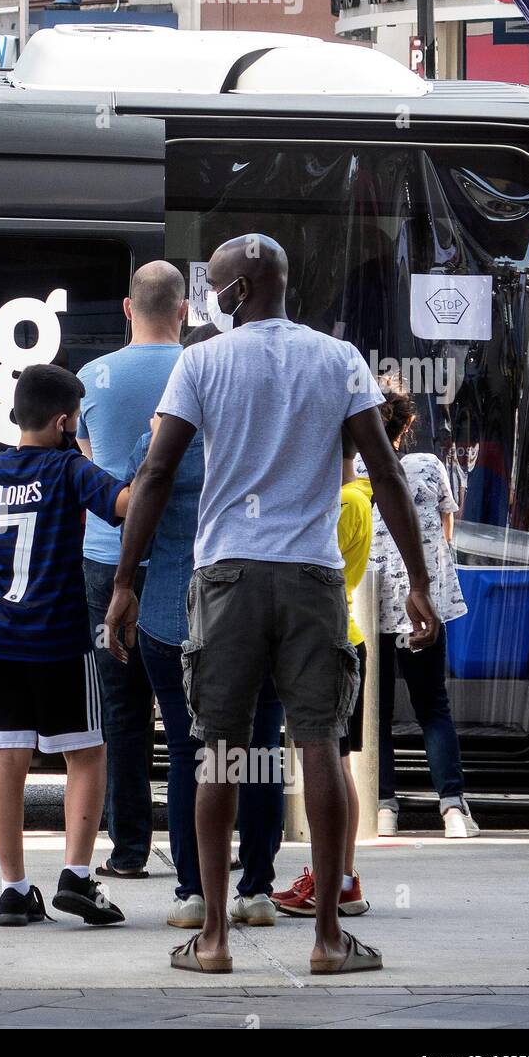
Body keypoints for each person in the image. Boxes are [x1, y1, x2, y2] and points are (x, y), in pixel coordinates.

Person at [105, 234, 438, 975]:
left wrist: (126, 580)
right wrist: (416, 579)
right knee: (316, 743)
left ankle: (215, 938)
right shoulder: (338, 359)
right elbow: (382, 470)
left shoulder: (202, 361)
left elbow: (156, 472)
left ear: (234, 294)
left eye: (215, 287)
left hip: (226, 576)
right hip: (312, 576)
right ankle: (325, 939)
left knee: (218, 749)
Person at [0, 363, 132, 927]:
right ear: (61, 421)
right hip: (61, 642)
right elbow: (125, 505)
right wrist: (155, 455)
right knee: (87, 755)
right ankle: (77, 877)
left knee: (5, 761)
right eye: (75, 422)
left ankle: (13, 888)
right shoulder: (69, 469)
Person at [125, 413, 285, 929]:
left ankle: (192, 894)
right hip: (260, 610)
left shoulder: (156, 441)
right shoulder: (264, 435)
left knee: (187, 754)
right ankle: (257, 890)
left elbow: (138, 513)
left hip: (172, 612)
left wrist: (124, 584)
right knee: (258, 753)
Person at [75, 261, 187, 879]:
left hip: (104, 560)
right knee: (191, 709)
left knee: (121, 713)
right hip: (182, 559)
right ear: (185, 309)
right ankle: (198, 847)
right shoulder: (203, 369)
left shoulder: (92, 378)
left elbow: (94, 476)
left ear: (126, 308)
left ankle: (127, 851)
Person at [360, 381, 478, 838]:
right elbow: (448, 530)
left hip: (371, 606)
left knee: (378, 711)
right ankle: (451, 809)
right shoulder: (429, 466)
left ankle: (384, 808)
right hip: (420, 604)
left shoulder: (354, 470)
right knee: (433, 706)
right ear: (409, 423)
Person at [274, 429, 374, 918]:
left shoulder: (346, 502)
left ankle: (340, 879)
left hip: (332, 636)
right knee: (333, 763)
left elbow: (308, 560)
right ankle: (334, 876)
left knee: (332, 765)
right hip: (333, 634)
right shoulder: (348, 497)